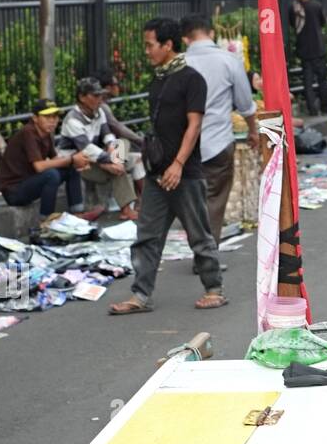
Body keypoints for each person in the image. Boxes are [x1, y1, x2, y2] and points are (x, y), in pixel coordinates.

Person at [108, 17, 225, 315]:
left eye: (150, 45)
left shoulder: (192, 79)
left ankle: (213, 289)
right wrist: (162, 166)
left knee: (199, 234)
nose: (146, 51)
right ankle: (140, 296)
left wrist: (178, 164)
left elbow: (194, 125)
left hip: (186, 174)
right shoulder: (158, 80)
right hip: (158, 173)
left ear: (167, 45)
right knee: (146, 235)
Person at [181, 14, 259, 246]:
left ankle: (199, 244)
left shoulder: (178, 63)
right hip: (218, 142)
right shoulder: (229, 61)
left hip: (184, 146)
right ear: (212, 33)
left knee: (192, 197)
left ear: (185, 38)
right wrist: (253, 131)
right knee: (214, 199)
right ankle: (206, 252)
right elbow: (245, 104)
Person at [0, 98, 94, 235]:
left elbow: (55, 159)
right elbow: (39, 167)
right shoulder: (28, 132)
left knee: (70, 167)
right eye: (47, 117)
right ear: (35, 118)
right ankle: (45, 222)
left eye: (55, 117)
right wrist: (71, 158)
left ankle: (77, 214)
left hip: (30, 182)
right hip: (14, 191)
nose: (53, 121)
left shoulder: (46, 133)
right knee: (51, 175)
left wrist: (77, 162)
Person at [57, 78, 138, 221]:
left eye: (101, 95)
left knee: (124, 145)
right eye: (95, 96)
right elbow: (87, 149)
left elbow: (108, 135)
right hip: (79, 165)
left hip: (98, 158)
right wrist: (111, 160)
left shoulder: (99, 112)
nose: (100, 99)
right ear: (82, 97)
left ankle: (136, 203)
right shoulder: (72, 120)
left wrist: (113, 151)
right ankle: (126, 210)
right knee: (117, 169)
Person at [96, 67, 146, 204]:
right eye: (116, 84)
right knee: (123, 146)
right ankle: (130, 206)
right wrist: (139, 140)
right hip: (100, 154)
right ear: (107, 88)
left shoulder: (103, 106)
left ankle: (142, 201)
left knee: (137, 159)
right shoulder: (101, 107)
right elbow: (117, 127)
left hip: (108, 150)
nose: (119, 87)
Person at [289, 0, 327, 116]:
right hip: (318, 48)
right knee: (322, 80)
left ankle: (312, 110)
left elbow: (292, 25)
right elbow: (323, 22)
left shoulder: (294, 7)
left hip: (304, 49)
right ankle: (326, 108)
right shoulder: (317, 6)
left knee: (308, 82)